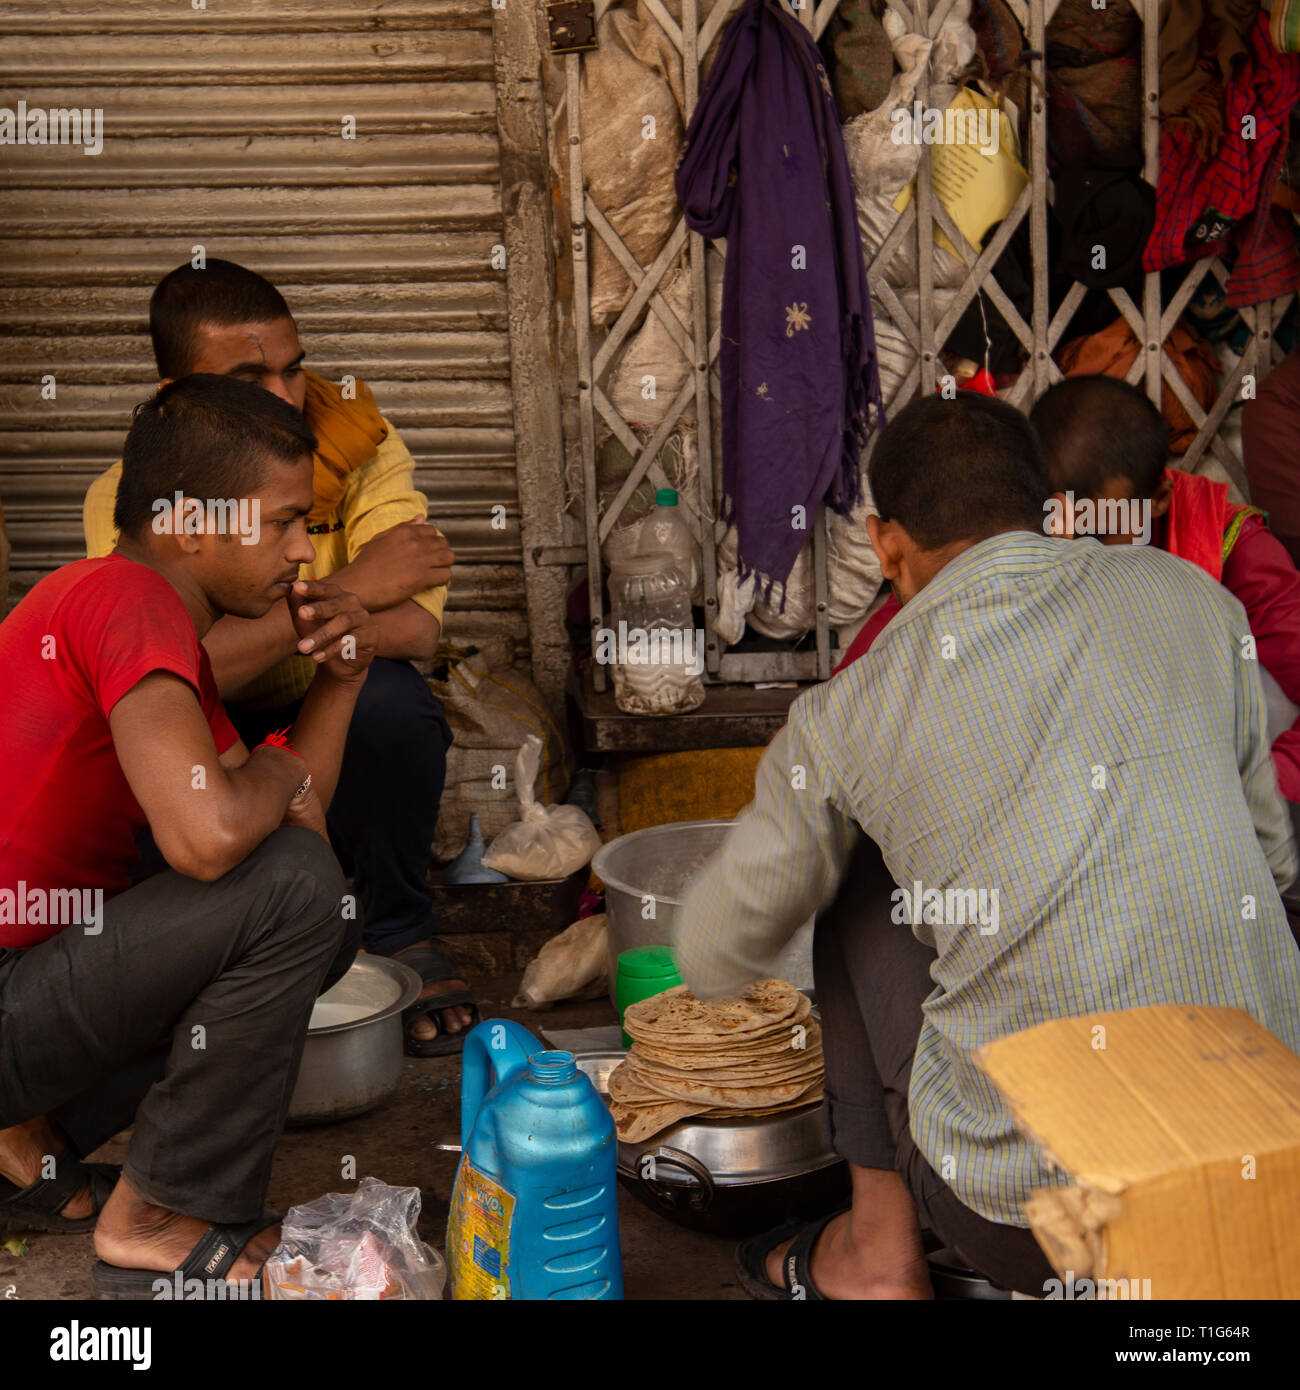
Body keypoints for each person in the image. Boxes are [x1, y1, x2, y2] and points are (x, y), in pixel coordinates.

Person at [673, 392, 1300, 1300]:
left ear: (887, 544)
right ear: (1047, 509)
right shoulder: (1194, 599)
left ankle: (875, 1256)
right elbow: (1275, 859)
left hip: (1042, 1235)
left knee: (849, 869)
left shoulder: (850, 711)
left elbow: (713, 951)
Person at [0, 375, 375, 1295]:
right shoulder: (127, 605)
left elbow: (294, 829)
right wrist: (277, 777)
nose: (305, 547)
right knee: (292, 892)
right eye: (284, 521)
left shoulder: (137, 618)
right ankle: (161, 1210)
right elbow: (214, 842)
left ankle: (27, 1141)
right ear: (192, 524)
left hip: (23, 994)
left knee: (313, 900)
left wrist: (340, 681)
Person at [82, 259, 475, 1054]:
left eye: (294, 368)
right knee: (168, 768)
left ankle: (398, 932)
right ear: (176, 397)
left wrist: (276, 641)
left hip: (323, 693)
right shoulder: (129, 500)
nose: (286, 397)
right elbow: (178, 674)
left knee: (395, 706)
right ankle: (201, 953)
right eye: (248, 375)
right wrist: (358, 585)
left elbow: (416, 629)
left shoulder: (360, 446)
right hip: (204, 717)